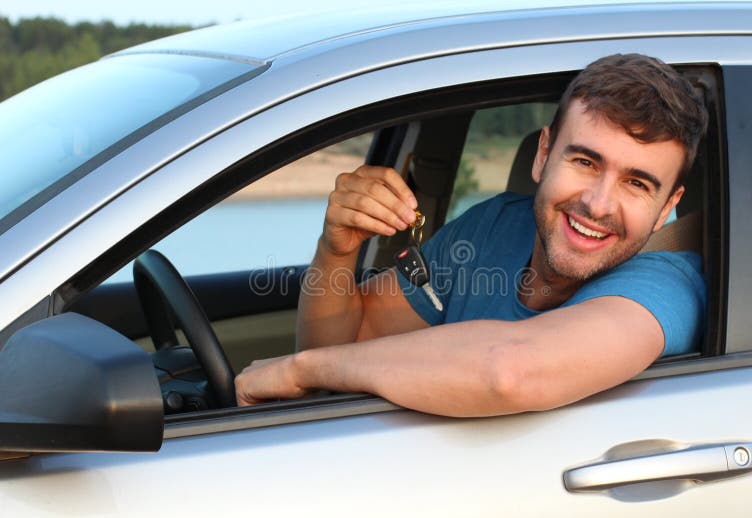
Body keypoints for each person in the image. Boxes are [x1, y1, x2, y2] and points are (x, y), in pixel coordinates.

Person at [234, 53, 708, 416]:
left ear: (668, 204)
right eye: (584, 162)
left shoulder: (667, 284)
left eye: (637, 183)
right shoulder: (495, 225)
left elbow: (510, 370)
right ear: (543, 155)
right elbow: (346, 341)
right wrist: (335, 250)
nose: (598, 204)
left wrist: (299, 371)